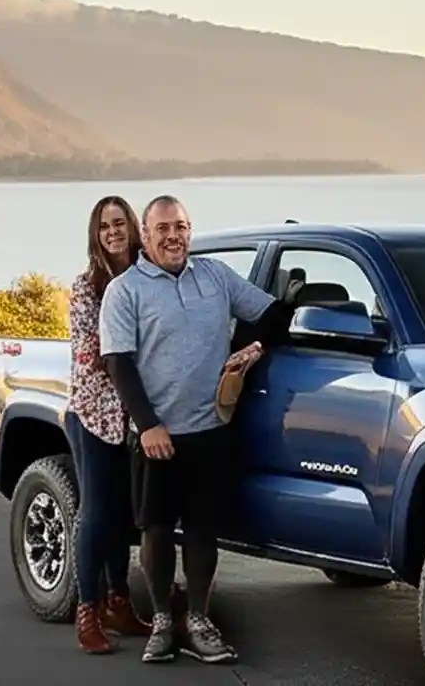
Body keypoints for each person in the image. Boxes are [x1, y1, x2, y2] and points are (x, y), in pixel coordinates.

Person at [99, 195, 294, 664]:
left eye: (181, 227)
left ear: (190, 231)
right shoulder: (125, 291)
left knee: (204, 531)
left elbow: (275, 315)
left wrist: (256, 347)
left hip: (210, 429)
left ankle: (200, 620)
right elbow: (119, 365)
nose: (173, 236)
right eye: (163, 228)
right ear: (145, 236)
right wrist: (148, 426)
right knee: (158, 531)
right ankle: (164, 621)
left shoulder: (216, 277)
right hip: (157, 435)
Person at [64, 195, 154, 654]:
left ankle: (119, 601)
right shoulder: (86, 287)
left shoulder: (147, 278)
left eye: (120, 223)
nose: (113, 232)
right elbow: (87, 352)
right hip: (94, 414)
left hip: (136, 418)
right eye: (104, 226)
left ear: (133, 227)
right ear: (95, 235)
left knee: (123, 514)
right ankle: (88, 610)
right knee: (96, 513)